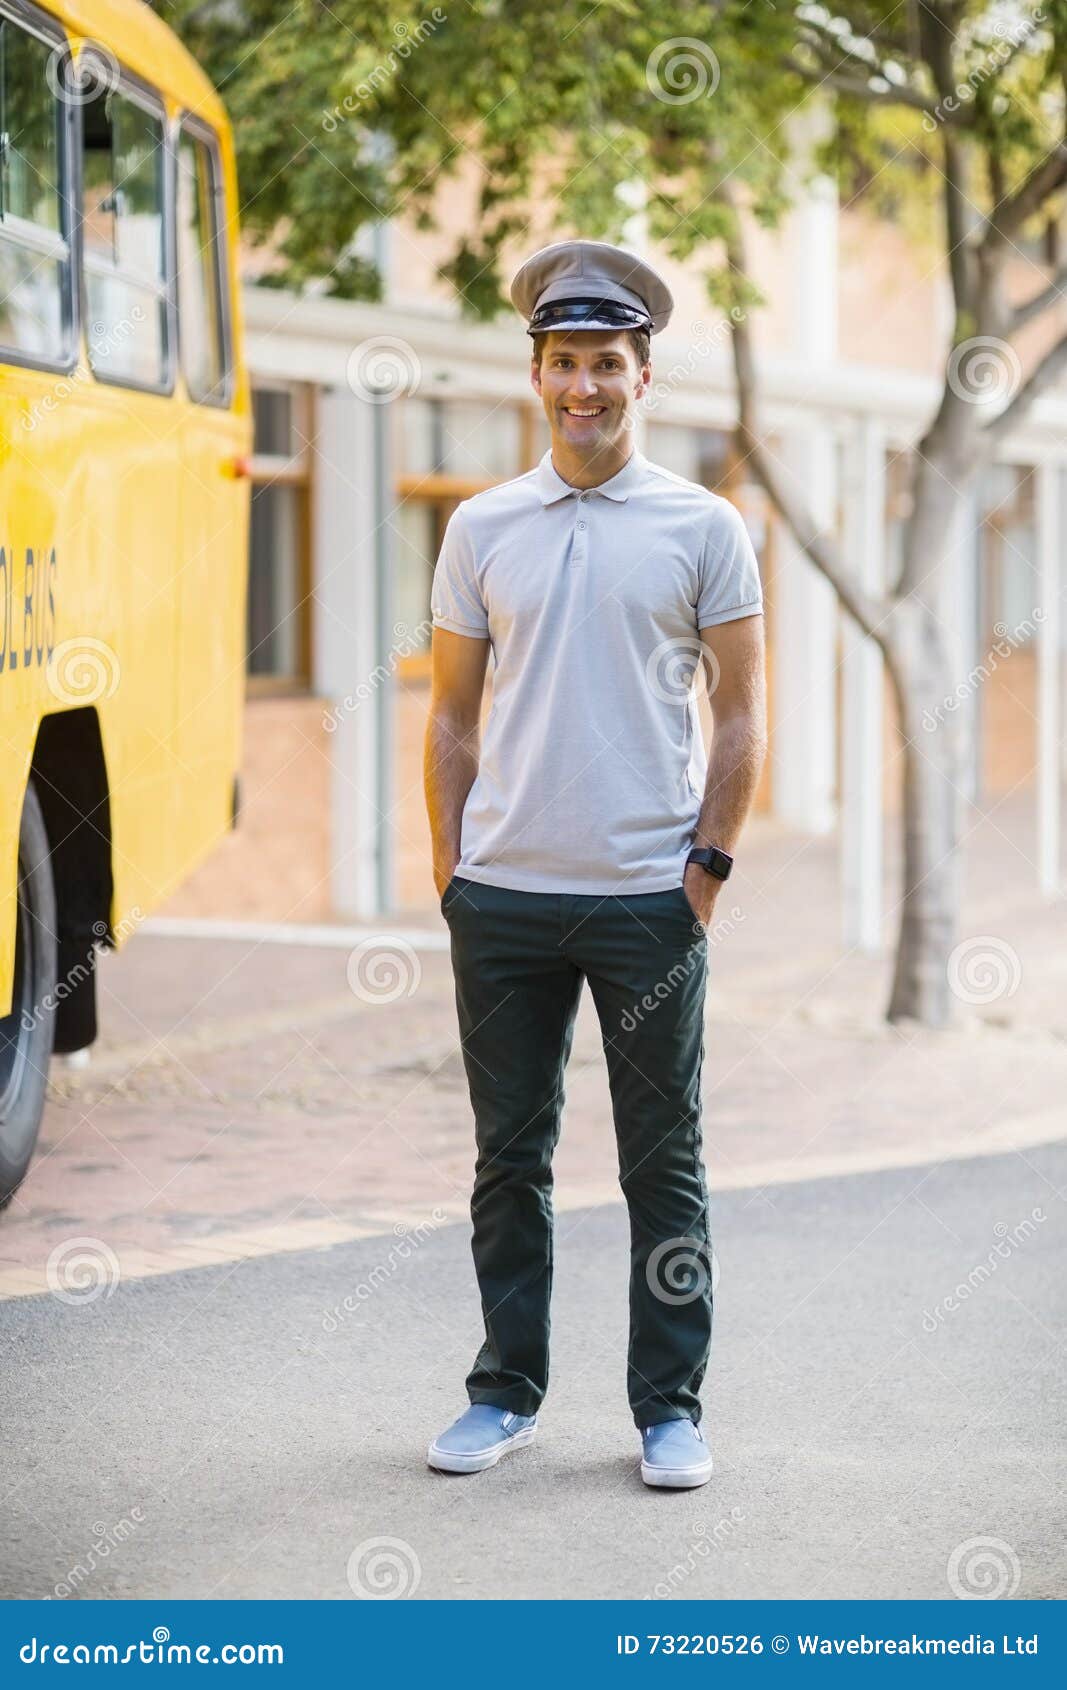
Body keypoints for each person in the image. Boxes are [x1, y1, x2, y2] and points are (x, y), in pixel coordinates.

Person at [423, 239, 766, 1489]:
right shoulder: (481, 525)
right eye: (563, 362)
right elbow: (451, 716)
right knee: (507, 1158)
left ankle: (667, 1411)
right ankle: (503, 1392)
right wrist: (453, 873)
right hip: (505, 899)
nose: (584, 385)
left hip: (643, 902)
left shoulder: (703, 524)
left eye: (606, 363)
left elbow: (738, 714)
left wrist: (705, 874)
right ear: (537, 374)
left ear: (642, 374)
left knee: (658, 1161)